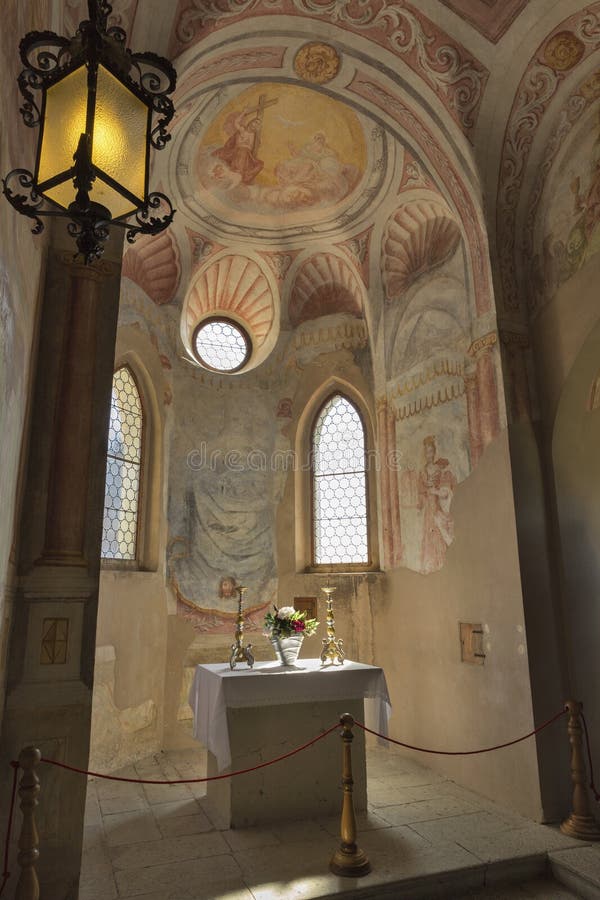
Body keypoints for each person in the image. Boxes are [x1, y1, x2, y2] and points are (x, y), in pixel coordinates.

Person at [417, 435, 456, 574]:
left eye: (431, 452)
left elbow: (443, 489)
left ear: (434, 452)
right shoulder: (422, 471)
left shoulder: (439, 470)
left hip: (436, 504)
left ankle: (441, 564)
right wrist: (422, 497)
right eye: (427, 452)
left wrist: (434, 490)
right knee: (428, 532)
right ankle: (429, 565)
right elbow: (420, 490)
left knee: (438, 531)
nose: (429, 455)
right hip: (428, 506)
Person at [213, 107, 264, 185]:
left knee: (257, 163)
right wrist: (243, 113)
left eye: (257, 125)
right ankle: (234, 172)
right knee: (239, 152)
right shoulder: (242, 130)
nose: (255, 125)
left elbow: (257, 146)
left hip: (246, 155)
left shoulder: (255, 136)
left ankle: (237, 174)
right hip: (236, 151)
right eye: (255, 122)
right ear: (251, 122)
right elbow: (236, 122)